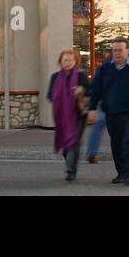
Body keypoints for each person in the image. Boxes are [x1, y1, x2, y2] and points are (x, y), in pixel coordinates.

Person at [87, 38, 129, 186]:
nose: (117, 53)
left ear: (128, 51)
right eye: (114, 50)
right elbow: (95, 90)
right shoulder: (105, 69)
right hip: (112, 113)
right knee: (117, 143)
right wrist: (92, 108)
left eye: (120, 50)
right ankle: (121, 172)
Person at [47, 49, 89, 181]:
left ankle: (70, 170)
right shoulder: (55, 77)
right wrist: (59, 98)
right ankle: (71, 165)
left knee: (74, 142)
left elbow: (91, 92)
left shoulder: (81, 76)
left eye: (71, 60)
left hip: (78, 114)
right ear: (61, 62)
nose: (68, 62)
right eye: (65, 60)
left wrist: (81, 91)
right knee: (66, 144)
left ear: (76, 61)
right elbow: (49, 95)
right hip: (62, 115)